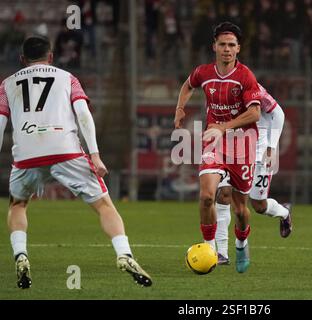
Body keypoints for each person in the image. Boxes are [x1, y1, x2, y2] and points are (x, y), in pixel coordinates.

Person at [0, 36, 152, 289]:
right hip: (65, 150)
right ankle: (124, 254)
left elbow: (1, 123)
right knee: (104, 205)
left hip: (26, 154)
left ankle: (21, 255)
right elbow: (83, 115)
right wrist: (94, 154)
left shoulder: (6, 85)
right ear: (51, 57)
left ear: (21, 59)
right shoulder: (67, 77)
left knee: (18, 205)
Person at [174, 22, 261, 273]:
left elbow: (254, 113)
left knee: (241, 209)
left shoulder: (245, 76)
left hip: (243, 145)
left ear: (238, 49)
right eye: (222, 44)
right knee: (207, 196)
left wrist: (224, 127)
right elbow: (188, 85)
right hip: (215, 142)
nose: (226, 49)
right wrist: (180, 109)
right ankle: (210, 249)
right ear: (214, 46)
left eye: (231, 45)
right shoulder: (203, 72)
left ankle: (242, 243)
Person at [215, 83, 293, 265]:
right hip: (231, 153)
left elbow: (278, 113)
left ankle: (284, 212)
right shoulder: (220, 88)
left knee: (258, 206)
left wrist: (271, 147)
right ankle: (222, 253)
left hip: (258, 155)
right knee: (224, 194)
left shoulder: (253, 88)